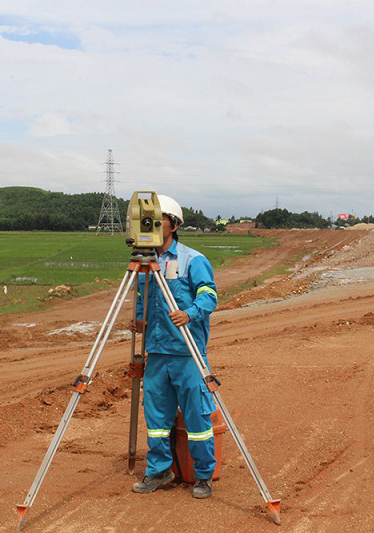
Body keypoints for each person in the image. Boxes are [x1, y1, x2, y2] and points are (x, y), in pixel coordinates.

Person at [130, 194, 219, 498]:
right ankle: (159, 470)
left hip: (187, 352)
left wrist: (189, 313)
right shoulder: (146, 264)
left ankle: (203, 475)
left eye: (160, 218)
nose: (153, 224)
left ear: (174, 224)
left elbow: (209, 295)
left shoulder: (192, 260)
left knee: (197, 418)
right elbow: (142, 298)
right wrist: (139, 320)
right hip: (156, 352)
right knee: (156, 420)